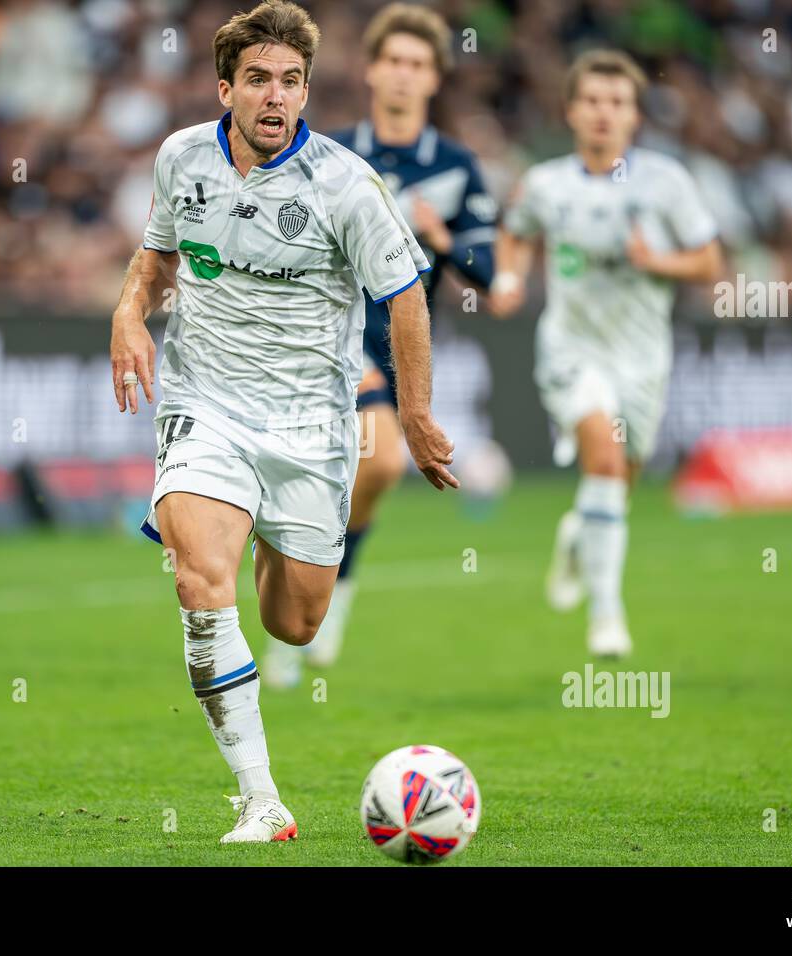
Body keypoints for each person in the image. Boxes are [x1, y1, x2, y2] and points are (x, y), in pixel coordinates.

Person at [109, 0, 457, 845]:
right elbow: (157, 256)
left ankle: (262, 528)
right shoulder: (180, 158)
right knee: (201, 582)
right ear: (225, 86)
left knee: (292, 622)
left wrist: (413, 413)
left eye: (292, 82)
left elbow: (404, 295)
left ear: (306, 92)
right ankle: (261, 800)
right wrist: (128, 312)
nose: (276, 97)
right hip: (206, 406)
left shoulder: (345, 185)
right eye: (259, 80)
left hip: (311, 427)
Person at [264, 2, 496, 688]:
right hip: (328, 341)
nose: (402, 74)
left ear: (434, 78)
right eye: (392, 60)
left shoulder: (456, 167)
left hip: (404, 349)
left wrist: (446, 239)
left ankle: (326, 594)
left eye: (417, 64)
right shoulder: (326, 152)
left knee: (359, 479)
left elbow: (492, 271)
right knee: (380, 457)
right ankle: (297, 620)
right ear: (371, 70)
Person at [490, 49, 724, 658]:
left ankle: (577, 533)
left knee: (619, 479)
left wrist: (659, 262)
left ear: (635, 116)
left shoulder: (664, 182)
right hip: (572, 350)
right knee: (603, 456)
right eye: (592, 100)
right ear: (571, 110)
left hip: (643, 358)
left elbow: (709, 260)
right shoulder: (547, 182)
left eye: (617, 103)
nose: (603, 113)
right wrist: (511, 278)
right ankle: (607, 617)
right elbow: (515, 230)